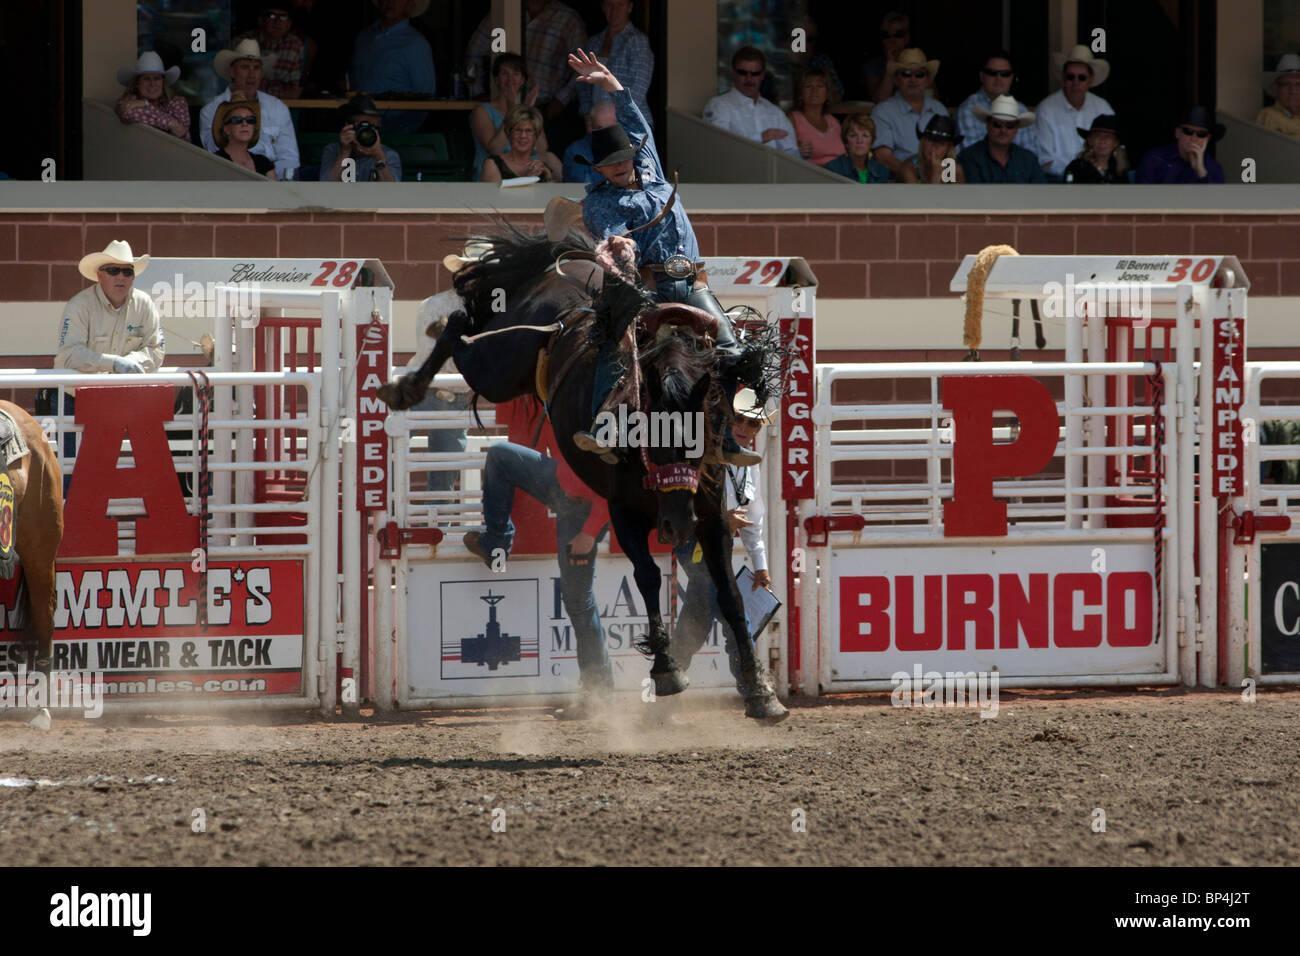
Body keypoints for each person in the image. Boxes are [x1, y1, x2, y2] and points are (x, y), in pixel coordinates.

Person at [568, 49, 759, 468]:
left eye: (622, 157)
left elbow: (637, 122)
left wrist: (610, 84)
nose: (618, 166)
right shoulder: (599, 204)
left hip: (692, 284)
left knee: (731, 349)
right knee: (617, 345)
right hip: (646, 286)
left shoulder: (650, 167)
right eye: (608, 163)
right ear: (598, 171)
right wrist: (622, 251)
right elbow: (616, 239)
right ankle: (603, 428)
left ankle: (728, 435)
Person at [462, 400, 615, 719]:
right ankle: (497, 543)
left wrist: (589, 532)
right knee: (499, 456)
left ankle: (598, 695)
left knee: (578, 600)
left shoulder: (603, 403)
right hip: (562, 483)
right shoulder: (569, 390)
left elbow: (613, 478)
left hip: (582, 509)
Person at [668, 389, 772, 699]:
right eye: (738, 419)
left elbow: (754, 516)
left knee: (696, 621)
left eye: (754, 424)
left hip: (714, 547)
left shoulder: (748, 463)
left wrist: (761, 565)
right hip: (695, 542)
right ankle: (755, 692)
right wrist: (720, 522)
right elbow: (678, 510)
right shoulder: (699, 453)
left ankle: (661, 690)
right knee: (733, 616)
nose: (744, 428)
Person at [51, 241, 165, 493]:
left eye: (128, 271)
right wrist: (113, 362)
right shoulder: (80, 305)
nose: (121, 277)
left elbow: (156, 350)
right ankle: (73, 529)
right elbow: (68, 355)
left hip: (123, 402)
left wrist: (130, 363)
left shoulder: (144, 304)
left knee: (110, 478)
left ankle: (107, 525)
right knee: (72, 475)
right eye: (114, 271)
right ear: (100, 275)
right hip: (76, 401)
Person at [199, 39, 300, 180]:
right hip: (229, 179)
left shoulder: (277, 108)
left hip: (272, 181)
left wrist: (273, 183)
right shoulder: (211, 110)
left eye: (257, 68)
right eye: (245, 67)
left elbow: (289, 159)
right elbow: (214, 155)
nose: (252, 75)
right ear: (232, 71)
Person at [350, 0, 435, 134]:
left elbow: (425, 98)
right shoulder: (364, 36)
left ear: (410, 5)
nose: (390, 2)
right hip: (356, 127)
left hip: (396, 131)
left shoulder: (416, 44)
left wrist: (402, 135)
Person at [1034, 44, 1113, 181]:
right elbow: (1045, 161)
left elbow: (1116, 148)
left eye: (1081, 78)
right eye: (1071, 77)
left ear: (1090, 80)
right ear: (1064, 79)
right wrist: (1080, 172)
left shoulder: (1102, 107)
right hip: (1060, 182)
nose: (1076, 82)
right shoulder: (1046, 109)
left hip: (1099, 180)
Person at [702, 47, 799, 158]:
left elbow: (792, 154)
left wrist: (803, 153)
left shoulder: (775, 112)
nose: (749, 79)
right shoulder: (718, 106)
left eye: (755, 73)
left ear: (762, 75)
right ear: (733, 73)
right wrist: (762, 137)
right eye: (743, 73)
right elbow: (718, 147)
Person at [870, 48, 947, 180]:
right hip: (901, 185)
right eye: (906, 74)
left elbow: (951, 154)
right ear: (896, 79)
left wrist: (945, 179)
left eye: (919, 75)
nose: (913, 79)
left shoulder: (939, 109)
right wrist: (915, 178)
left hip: (940, 182)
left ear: (927, 79)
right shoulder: (883, 111)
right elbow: (883, 158)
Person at [469, 53, 547, 182]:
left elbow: (542, 148)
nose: (510, 80)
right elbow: (494, 149)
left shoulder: (528, 111)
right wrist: (513, 113)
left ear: (522, 80)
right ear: (497, 79)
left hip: (527, 172)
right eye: (505, 74)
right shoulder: (482, 111)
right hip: (493, 176)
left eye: (516, 74)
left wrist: (529, 111)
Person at [579, 0, 654, 128]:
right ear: (603, 7)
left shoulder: (637, 41)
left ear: (629, 7)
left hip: (631, 123)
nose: (614, 10)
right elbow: (584, 85)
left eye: (620, 4)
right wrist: (588, 115)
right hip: (597, 123)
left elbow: (639, 87)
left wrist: (617, 120)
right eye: (609, 4)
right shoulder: (594, 42)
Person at [955, 51, 1038, 157]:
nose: (999, 78)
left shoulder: (1021, 110)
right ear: (981, 76)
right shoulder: (968, 109)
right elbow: (973, 158)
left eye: (1005, 74)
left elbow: (1031, 156)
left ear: (1012, 77)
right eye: (992, 73)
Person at [957, 95, 1043, 184]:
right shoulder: (969, 157)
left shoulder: (1029, 159)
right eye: (997, 124)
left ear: (1017, 129)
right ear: (987, 125)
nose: (1003, 130)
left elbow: (1040, 193)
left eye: (1010, 125)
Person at [319, 95, 400, 182]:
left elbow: (392, 192)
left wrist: (378, 157)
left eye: (373, 127)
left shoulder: (389, 155)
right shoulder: (333, 150)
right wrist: (345, 151)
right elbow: (325, 185)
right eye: (363, 126)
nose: (367, 132)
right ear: (349, 127)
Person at [1136, 106, 1226, 184]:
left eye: (1201, 134)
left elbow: (1215, 202)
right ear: (1177, 133)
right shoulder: (1154, 159)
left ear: (1207, 138)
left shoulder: (1214, 168)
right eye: (1188, 131)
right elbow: (1143, 200)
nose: (1194, 138)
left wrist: (1201, 172)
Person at [114, 52, 190, 140]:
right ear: (137, 83)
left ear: (163, 82)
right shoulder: (129, 100)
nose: (152, 84)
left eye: (156, 78)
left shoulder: (177, 102)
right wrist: (172, 123)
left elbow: (182, 134)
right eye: (146, 79)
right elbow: (128, 113)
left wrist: (145, 105)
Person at [479, 105, 562, 183]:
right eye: (517, 130)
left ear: (535, 136)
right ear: (509, 134)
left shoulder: (541, 166)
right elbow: (493, 197)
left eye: (529, 131)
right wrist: (527, 179)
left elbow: (550, 197)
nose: (523, 136)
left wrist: (548, 178)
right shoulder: (492, 163)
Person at [240, 4, 304, 99]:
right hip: (244, 103)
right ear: (261, 20)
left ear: (289, 24)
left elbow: (294, 91)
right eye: (272, 16)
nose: (277, 22)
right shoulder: (243, 41)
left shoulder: (295, 46)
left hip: (280, 106)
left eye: (283, 17)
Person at [788, 67, 844, 166]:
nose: (814, 90)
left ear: (827, 93)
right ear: (800, 93)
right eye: (808, 86)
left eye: (820, 86)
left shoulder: (834, 122)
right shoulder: (792, 119)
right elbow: (785, 157)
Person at [213, 101, 278, 179]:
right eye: (237, 120)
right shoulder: (215, 161)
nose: (245, 124)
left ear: (254, 128)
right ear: (226, 129)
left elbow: (275, 190)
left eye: (250, 120)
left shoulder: (263, 163)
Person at [824, 114, 889, 183]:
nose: (859, 141)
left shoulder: (881, 170)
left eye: (865, 136)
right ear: (846, 142)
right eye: (853, 136)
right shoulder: (832, 169)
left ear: (871, 142)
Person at [902, 115, 967, 184]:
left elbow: (958, 194)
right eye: (930, 140)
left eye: (941, 143)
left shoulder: (954, 170)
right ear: (923, 142)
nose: (934, 147)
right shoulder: (910, 168)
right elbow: (917, 195)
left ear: (948, 148)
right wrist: (936, 176)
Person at [863, 10, 911, 103]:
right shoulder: (873, 66)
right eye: (886, 35)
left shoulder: (919, 62)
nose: (892, 40)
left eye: (898, 34)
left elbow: (933, 98)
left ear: (906, 38)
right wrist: (891, 65)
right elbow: (880, 101)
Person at [563, 101, 617, 183]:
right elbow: (571, 190)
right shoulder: (575, 152)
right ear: (590, 127)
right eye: (601, 129)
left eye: (611, 128)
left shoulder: (632, 149)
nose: (606, 134)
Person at [1064, 114, 1128, 183]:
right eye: (1097, 136)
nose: (1102, 141)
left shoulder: (1119, 169)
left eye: (1108, 137)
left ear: (1116, 143)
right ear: (1090, 141)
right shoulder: (1076, 168)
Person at [1257, 53, 1300, 138]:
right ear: (1275, 89)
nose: (1293, 91)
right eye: (1286, 85)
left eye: (1298, 84)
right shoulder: (1269, 116)